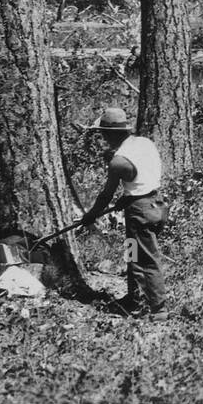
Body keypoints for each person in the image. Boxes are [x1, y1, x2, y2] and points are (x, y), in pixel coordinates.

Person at [80, 107, 169, 317]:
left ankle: (159, 309)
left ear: (110, 134)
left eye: (103, 134)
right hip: (156, 204)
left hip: (140, 212)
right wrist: (128, 197)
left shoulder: (118, 161)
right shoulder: (144, 143)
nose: (103, 139)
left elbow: (105, 195)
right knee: (133, 253)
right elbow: (143, 177)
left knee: (147, 258)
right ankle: (134, 298)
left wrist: (90, 215)